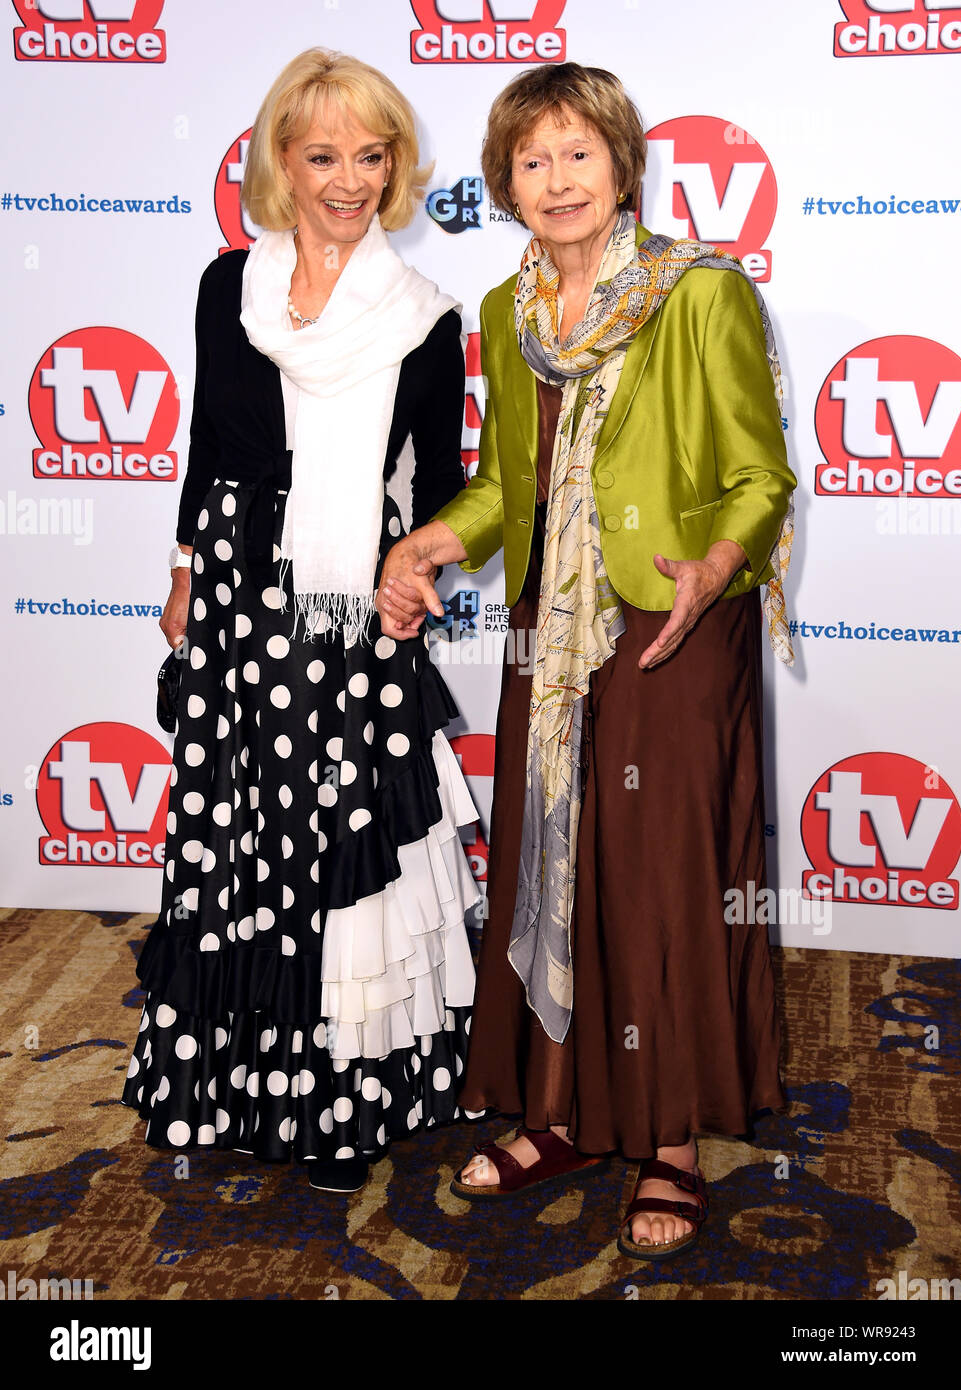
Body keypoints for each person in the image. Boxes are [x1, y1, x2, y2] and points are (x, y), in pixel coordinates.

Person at [376, 62, 796, 1257]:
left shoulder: (698, 294)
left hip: (668, 625)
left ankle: (666, 1137)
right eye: (533, 158)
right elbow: (512, 485)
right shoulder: (510, 319)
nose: (558, 179)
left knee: (658, 876)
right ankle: (559, 1110)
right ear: (506, 181)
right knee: (555, 858)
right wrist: (433, 542)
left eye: (579, 154)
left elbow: (760, 476)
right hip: (550, 644)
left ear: (622, 166)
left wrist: (717, 569)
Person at [122, 48, 480, 1194]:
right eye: (322, 153)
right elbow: (209, 449)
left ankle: (340, 1098)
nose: (347, 179)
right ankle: (223, 1085)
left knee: (337, 844)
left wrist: (413, 580)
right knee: (234, 836)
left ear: (395, 165)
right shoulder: (226, 284)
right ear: (281, 159)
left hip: (350, 597)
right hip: (235, 590)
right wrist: (183, 566)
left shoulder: (423, 314)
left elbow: (438, 484)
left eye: (370, 155)